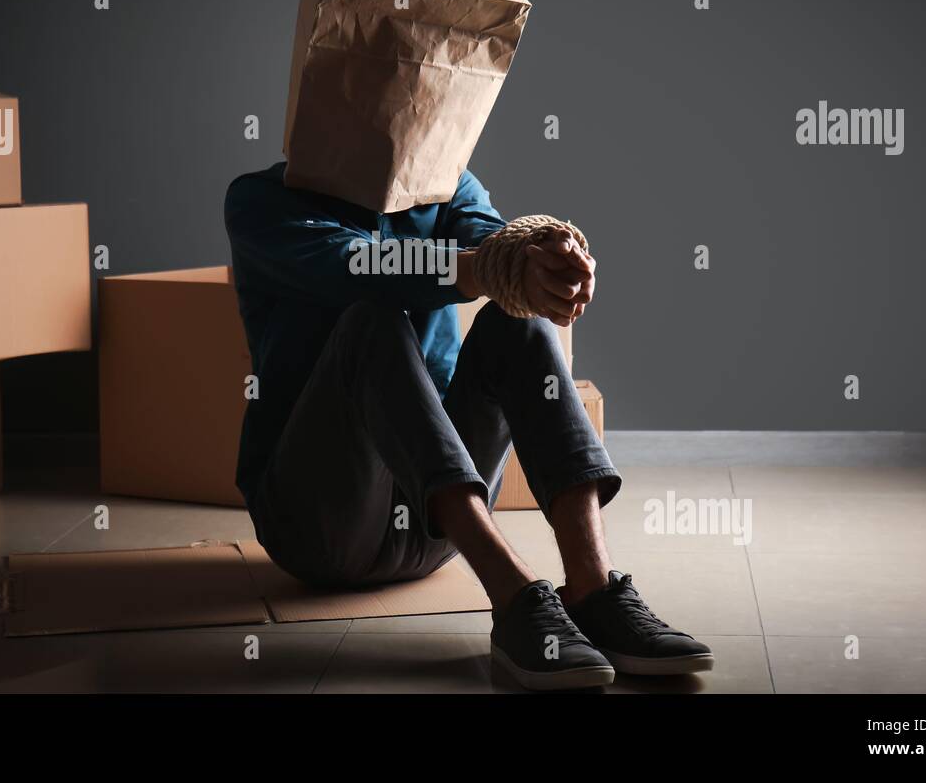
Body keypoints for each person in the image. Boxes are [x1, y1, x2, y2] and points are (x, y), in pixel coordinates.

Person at [224, 163, 713, 690]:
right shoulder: (261, 200)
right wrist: (477, 269)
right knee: (370, 318)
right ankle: (516, 599)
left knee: (518, 319)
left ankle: (594, 592)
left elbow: (494, 244)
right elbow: (355, 264)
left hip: (435, 530)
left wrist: (542, 261)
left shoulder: (446, 185)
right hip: (317, 530)